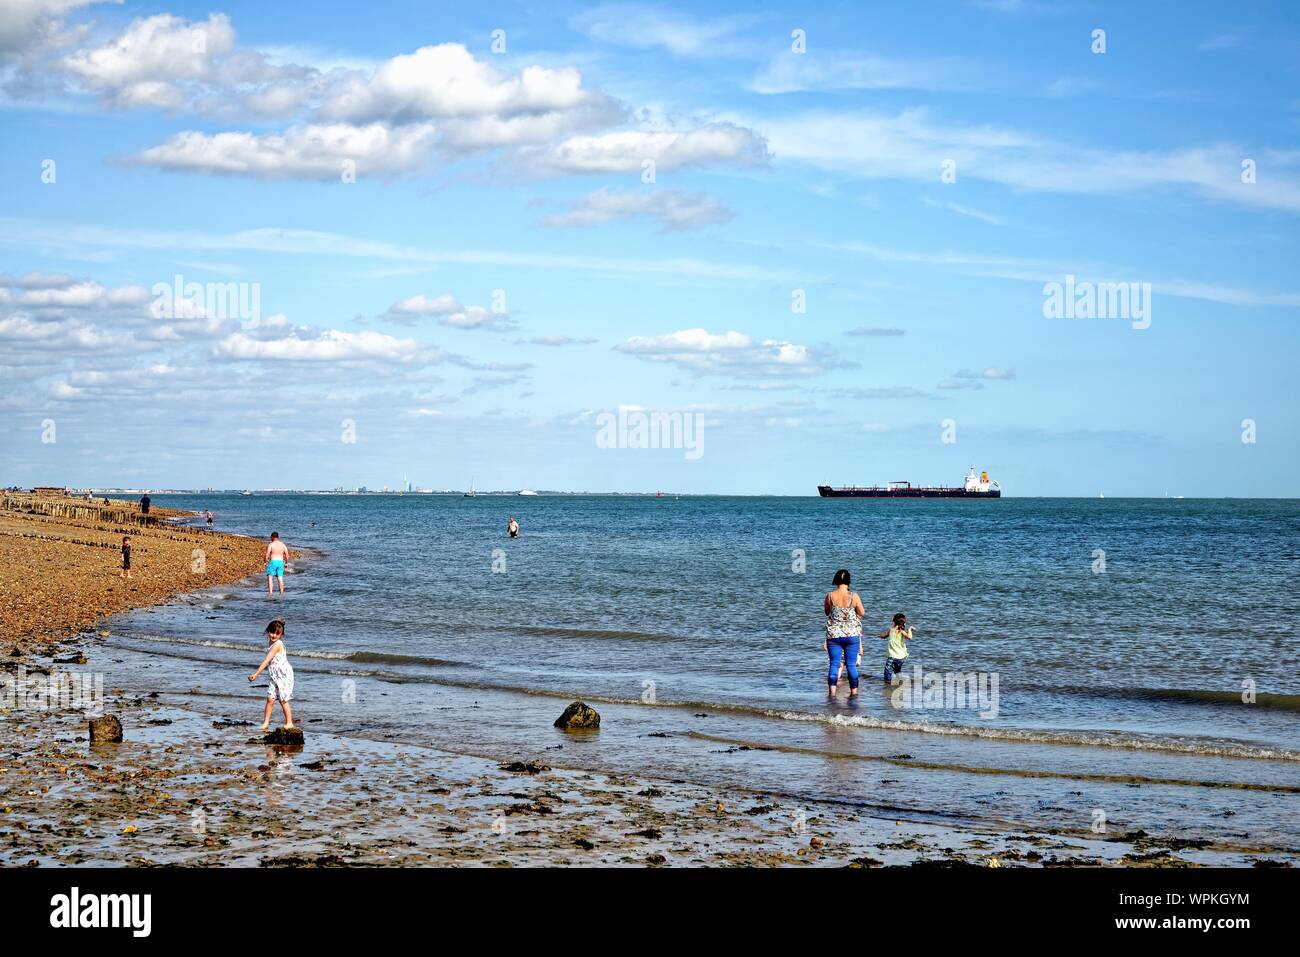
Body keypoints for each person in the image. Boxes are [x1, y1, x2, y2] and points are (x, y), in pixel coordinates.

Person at [248, 619, 296, 732]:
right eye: (272, 632)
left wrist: (256, 674)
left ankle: (289, 723)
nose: (274, 635)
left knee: (283, 700)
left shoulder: (277, 645)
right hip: (275, 675)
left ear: (281, 635)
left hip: (283, 675)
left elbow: (266, 661)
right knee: (270, 699)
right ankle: (265, 722)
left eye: (277, 634)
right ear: (268, 631)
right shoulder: (271, 642)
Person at [823, 569, 864, 698]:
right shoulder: (854, 596)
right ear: (848, 581)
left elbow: (826, 612)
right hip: (851, 635)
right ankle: (854, 693)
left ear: (836, 580)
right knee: (851, 665)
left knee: (834, 664)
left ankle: (833, 694)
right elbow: (862, 613)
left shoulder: (830, 596)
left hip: (834, 635)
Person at [879, 613, 916, 684]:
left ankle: (887, 683)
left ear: (894, 622)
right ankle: (900, 681)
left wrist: (879, 635)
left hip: (892, 656)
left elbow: (884, 636)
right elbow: (910, 637)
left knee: (888, 670)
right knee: (897, 670)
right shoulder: (902, 632)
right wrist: (910, 629)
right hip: (901, 657)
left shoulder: (891, 630)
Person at [265, 532, 289, 597]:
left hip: (273, 561)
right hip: (281, 562)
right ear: (278, 537)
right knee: (280, 578)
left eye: (271, 537)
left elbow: (267, 553)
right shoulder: (283, 545)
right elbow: (287, 554)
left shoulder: (271, 544)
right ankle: (281, 593)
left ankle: (270, 593)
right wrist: (286, 563)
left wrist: (266, 560)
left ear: (272, 537)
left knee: (270, 577)